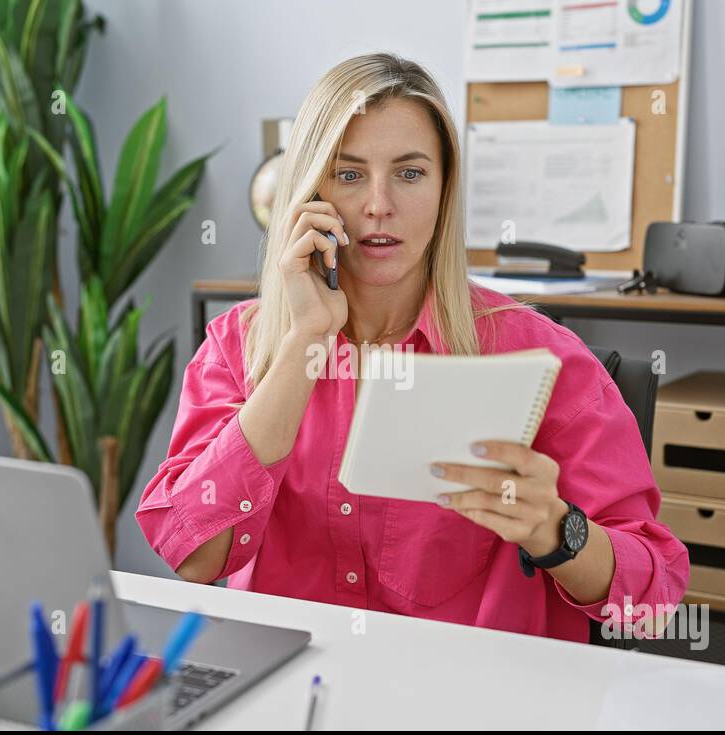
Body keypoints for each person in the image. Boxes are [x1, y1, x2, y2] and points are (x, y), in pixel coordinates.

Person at [137, 52, 688, 643]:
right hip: (295, 688)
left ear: (444, 188)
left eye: (410, 172)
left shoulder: (536, 355)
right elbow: (191, 557)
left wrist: (556, 530)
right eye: (349, 175)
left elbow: (653, 602)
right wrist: (303, 343)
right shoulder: (236, 348)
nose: (379, 204)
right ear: (309, 194)